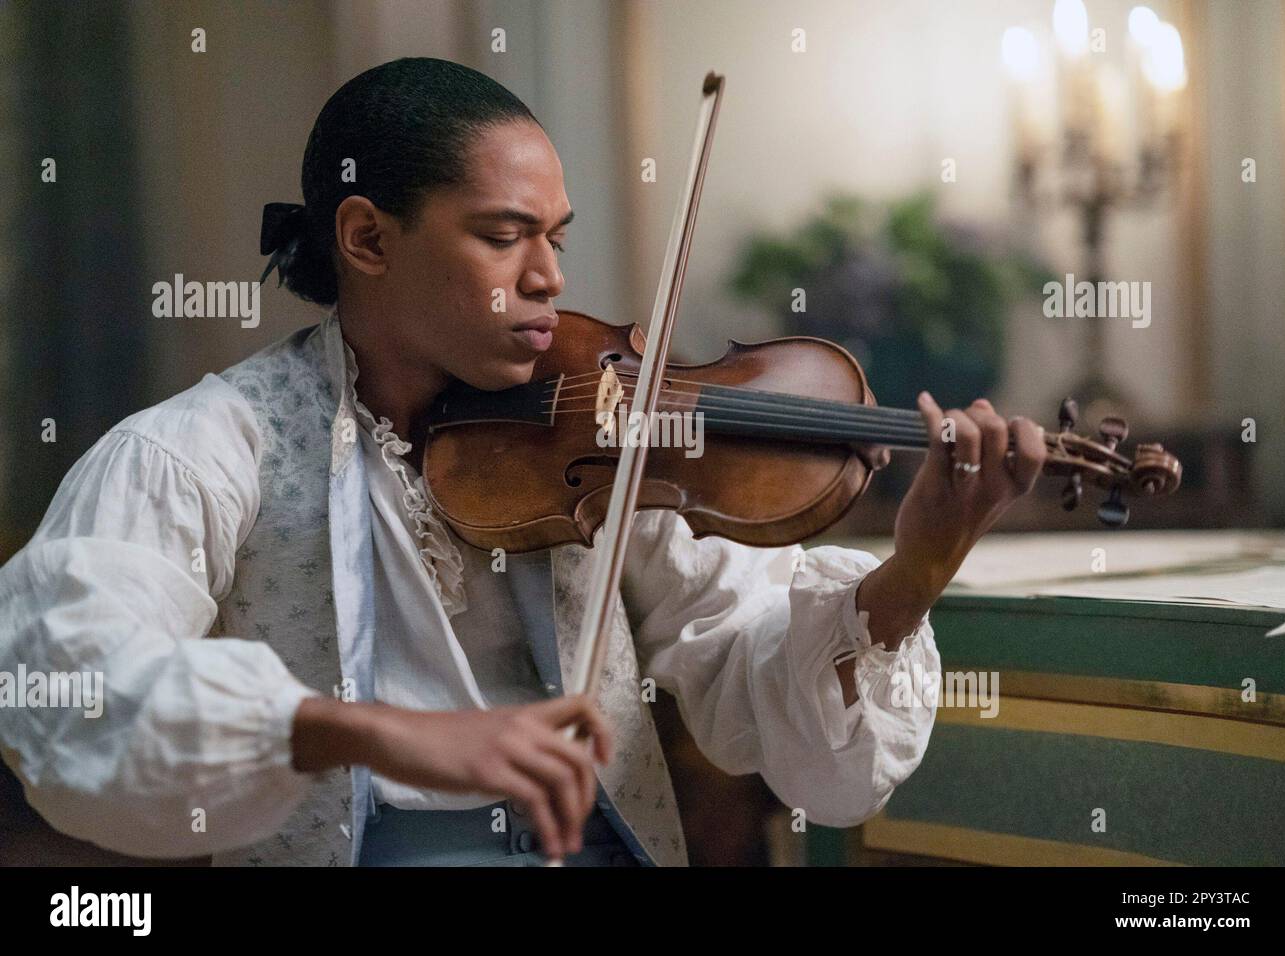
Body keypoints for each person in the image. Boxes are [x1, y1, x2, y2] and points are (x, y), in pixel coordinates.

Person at [0, 57, 1047, 867]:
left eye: (555, 234)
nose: (549, 276)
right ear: (367, 238)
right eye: (504, 236)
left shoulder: (606, 427)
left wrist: (911, 575)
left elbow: (789, 726)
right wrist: (376, 733)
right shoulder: (200, 448)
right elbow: (64, 684)